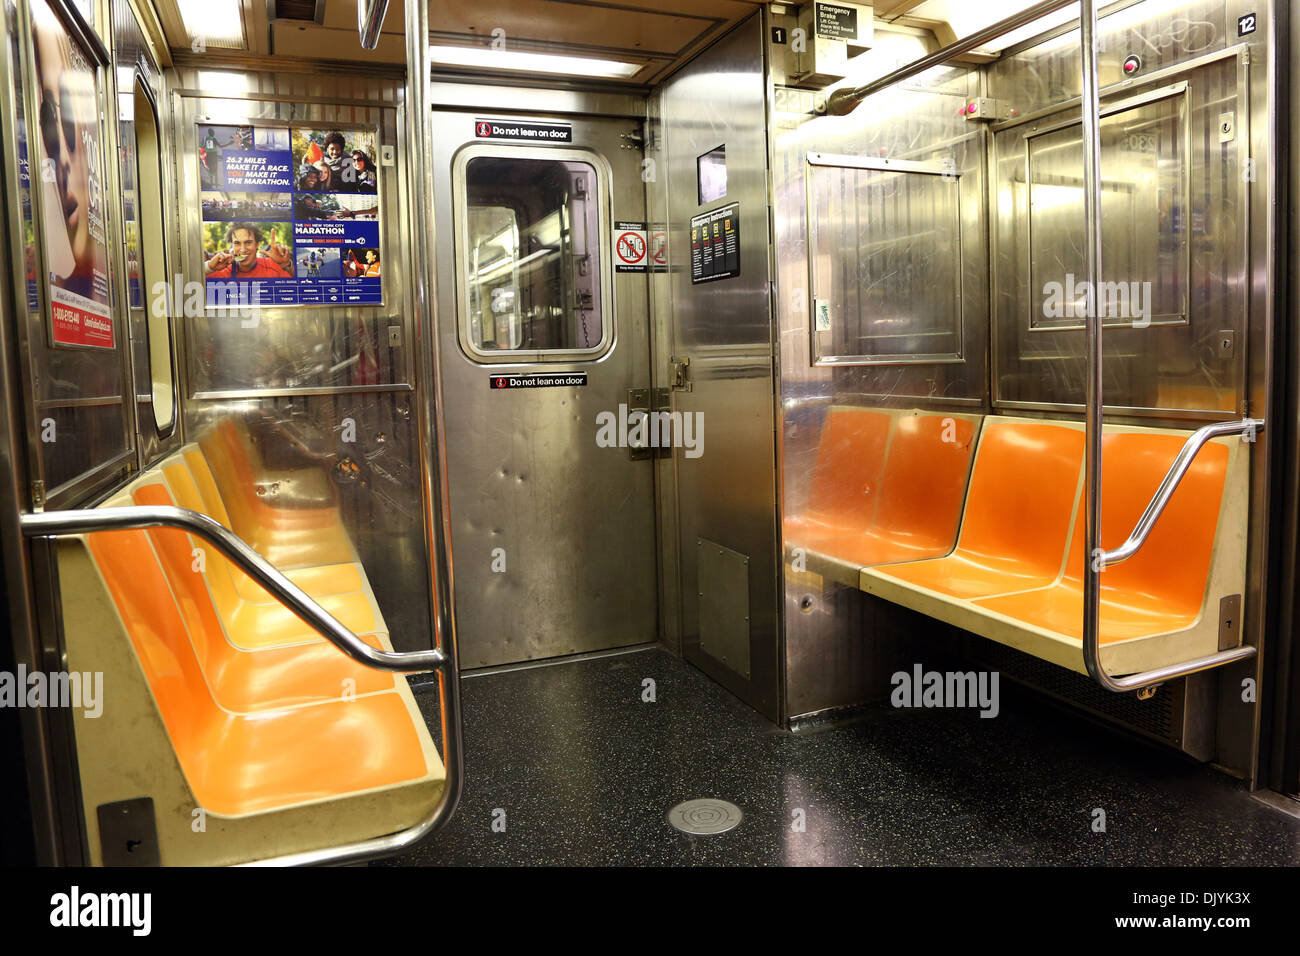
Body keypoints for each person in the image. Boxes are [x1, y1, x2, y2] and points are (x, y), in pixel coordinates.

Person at [204, 222, 292, 279]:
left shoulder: (273, 266)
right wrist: (209, 267)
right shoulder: (221, 271)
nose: (243, 249)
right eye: (237, 243)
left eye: (248, 242)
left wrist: (285, 265)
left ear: (257, 244)